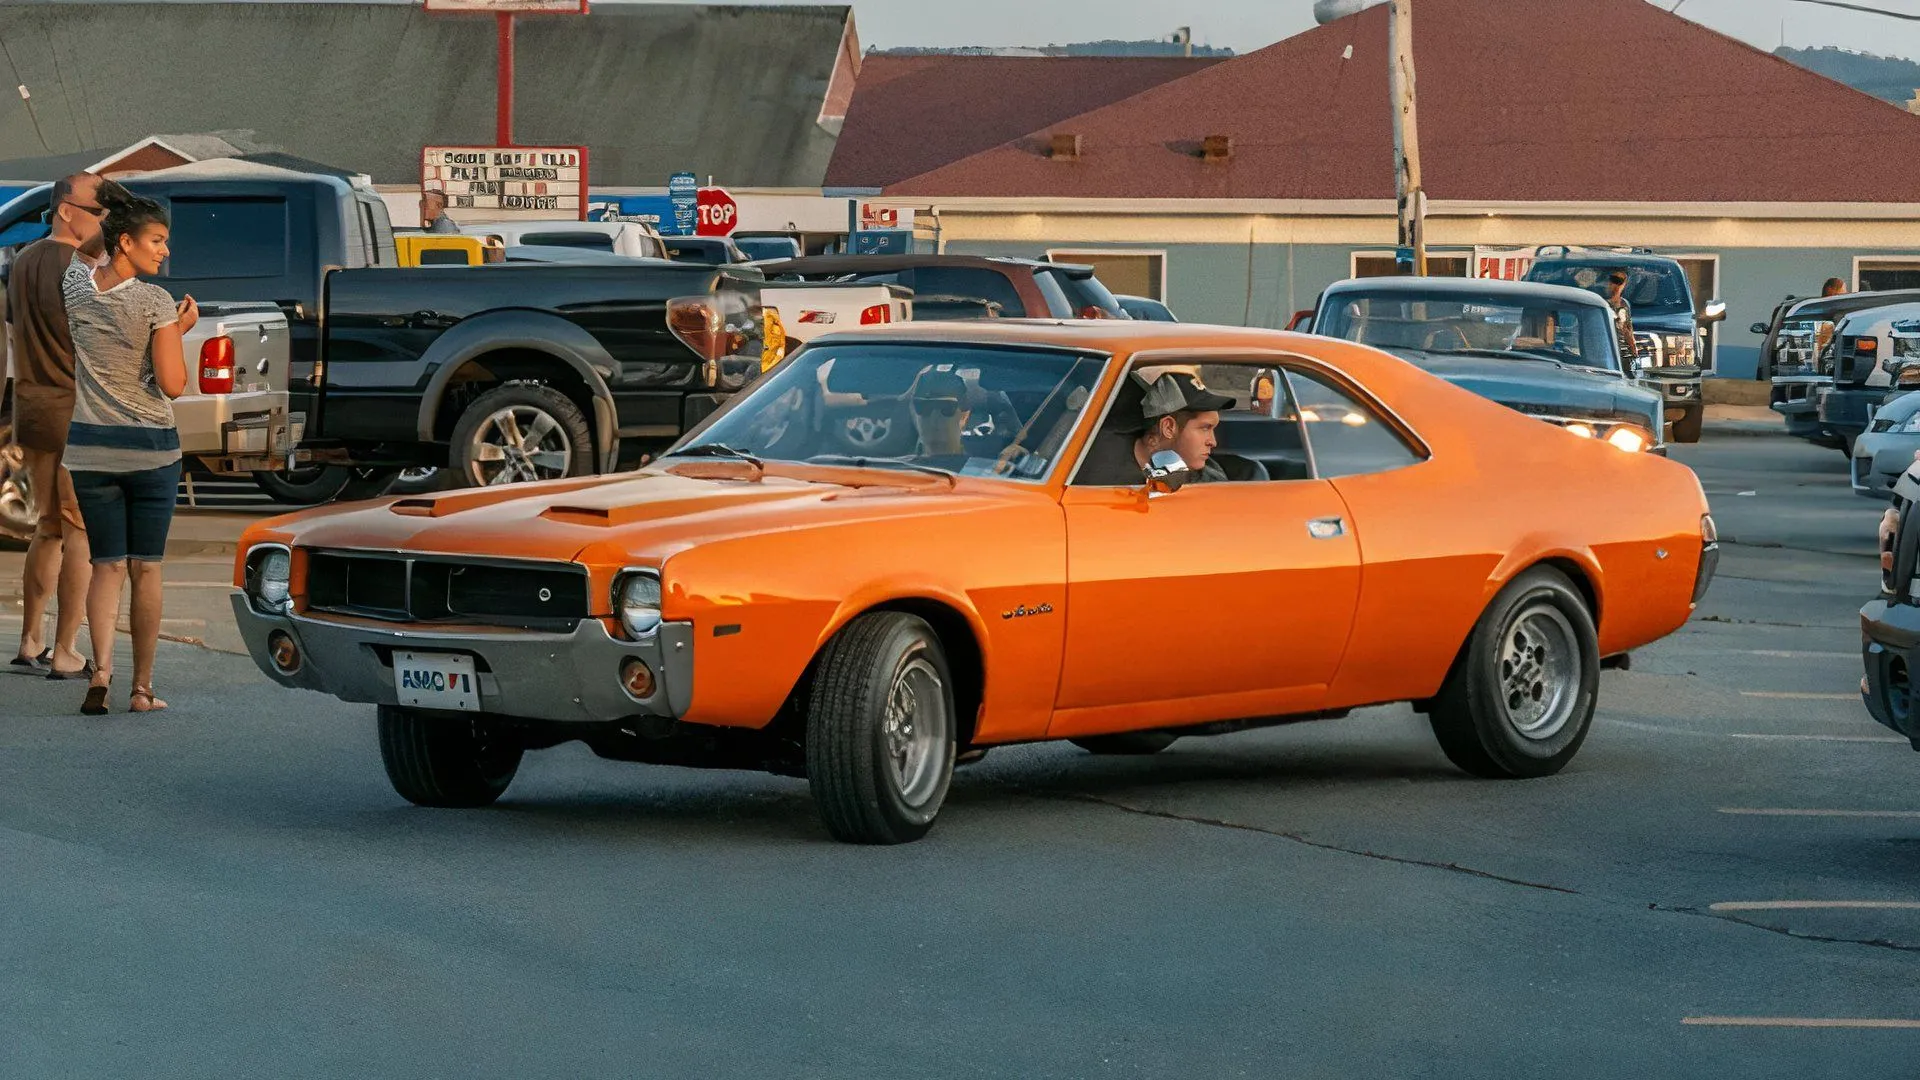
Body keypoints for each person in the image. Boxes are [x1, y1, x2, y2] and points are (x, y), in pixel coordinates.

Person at [62, 182, 198, 715]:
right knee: (147, 568)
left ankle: (100, 670)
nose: (164, 250)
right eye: (157, 240)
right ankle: (141, 688)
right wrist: (178, 330)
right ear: (127, 245)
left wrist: (115, 213)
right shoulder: (155, 302)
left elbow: (82, 250)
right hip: (150, 450)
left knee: (106, 566)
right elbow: (172, 384)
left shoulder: (75, 287)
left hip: (88, 449)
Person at [9, 172, 108, 678]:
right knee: (80, 532)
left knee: (46, 527)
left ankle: (30, 639)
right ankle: (66, 650)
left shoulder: (22, 260)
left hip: (33, 406)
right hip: (75, 409)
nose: (104, 219)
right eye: (98, 209)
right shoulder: (79, 268)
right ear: (66, 209)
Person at [1076, 370, 1234, 486]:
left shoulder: (1208, 478)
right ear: (1168, 427)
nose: (1213, 442)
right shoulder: (1098, 472)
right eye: (1205, 428)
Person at [1602, 269, 1638, 365]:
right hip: (1607, 351)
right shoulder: (1602, 303)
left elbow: (1628, 329)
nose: (1616, 285)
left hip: (1623, 352)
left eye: (1620, 282)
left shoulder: (1624, 304)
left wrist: (1633, 349)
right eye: (1614, 280)